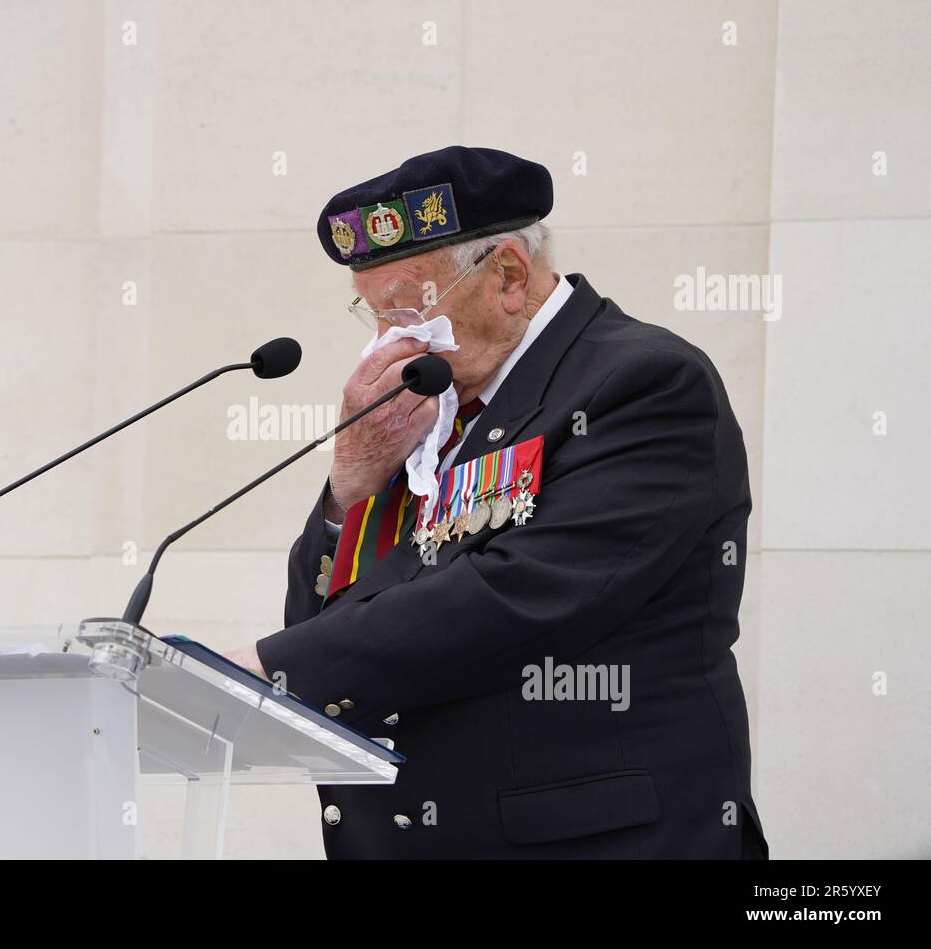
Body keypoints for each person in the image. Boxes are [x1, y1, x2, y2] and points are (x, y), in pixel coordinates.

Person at [226, 145, 768, 859]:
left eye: (407, 305)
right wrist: (350, 484)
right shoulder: (427, 406)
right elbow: (327, 613)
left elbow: (519, 596)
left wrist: (271, 667)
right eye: (374, 311)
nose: (389, 338)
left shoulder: (644, 383)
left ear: (508, 274)